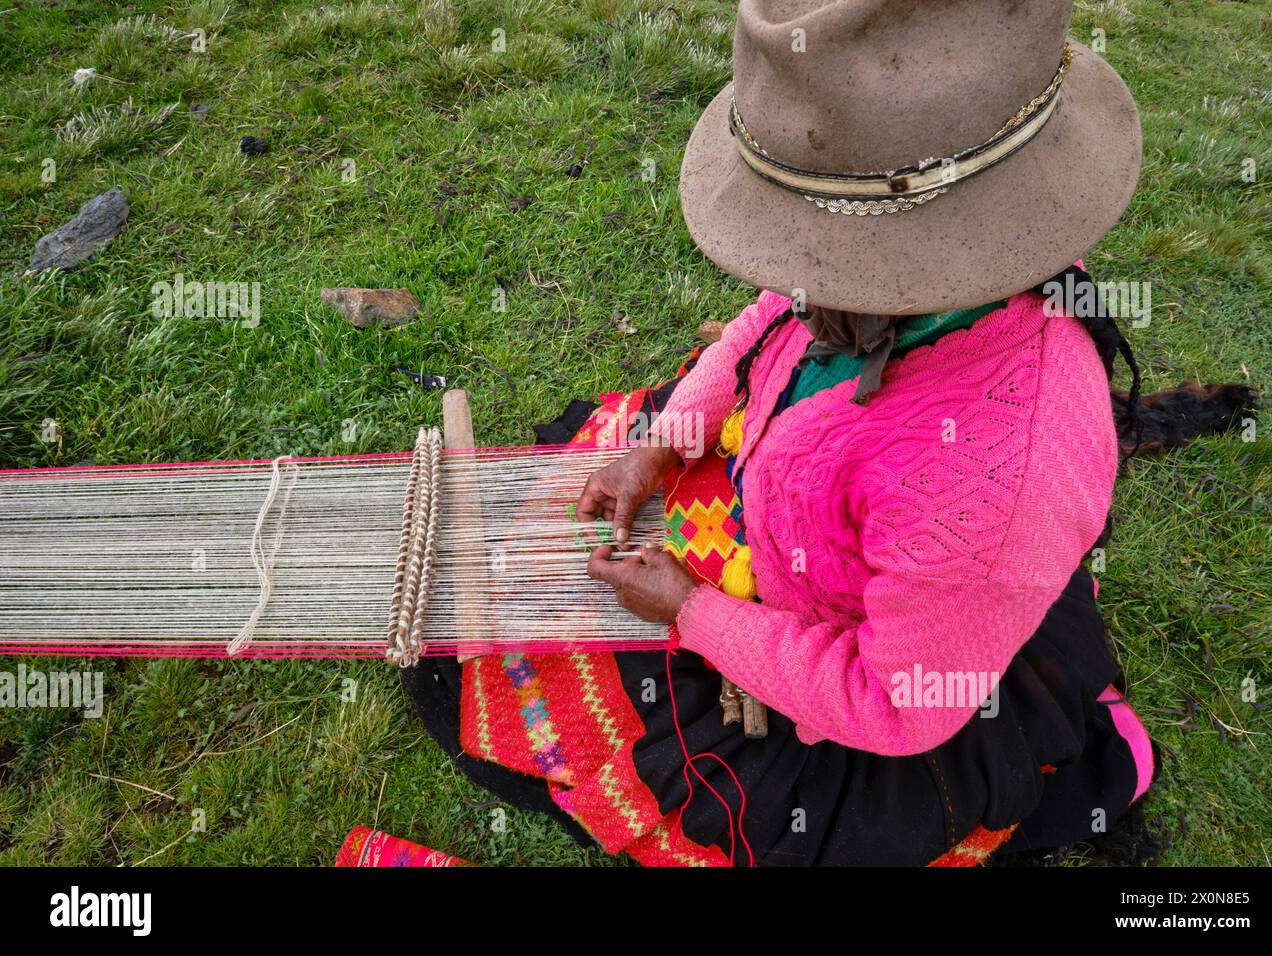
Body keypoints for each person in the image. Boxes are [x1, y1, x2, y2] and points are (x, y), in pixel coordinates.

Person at [403, 0, 1161, 865]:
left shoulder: (988, 480)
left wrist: (693, 610)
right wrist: (667, 436)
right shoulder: (905, 279)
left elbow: (894, 702)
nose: (798, 279)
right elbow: (772, 318)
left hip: (888, 686)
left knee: (520, 709)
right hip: (861, 558)